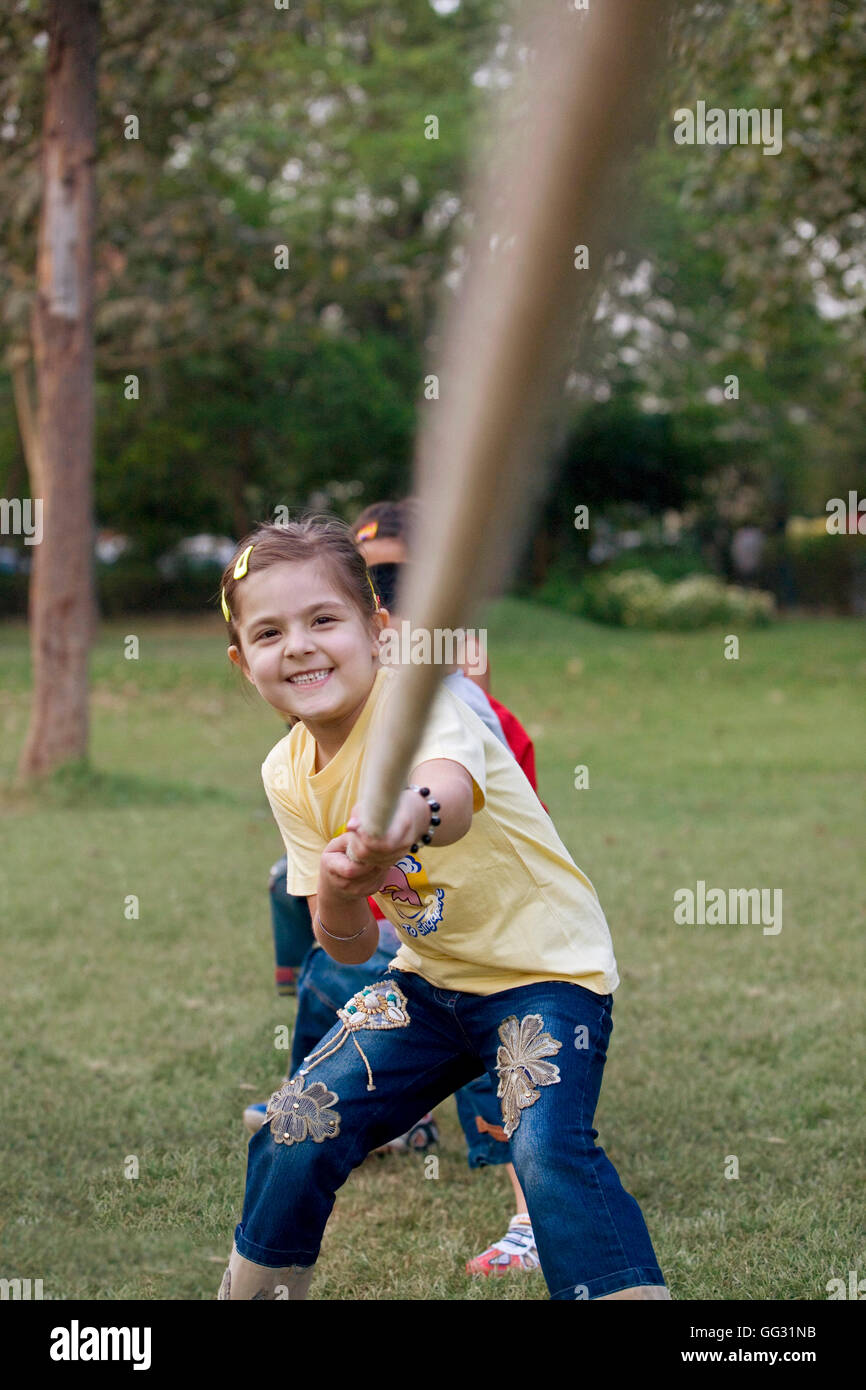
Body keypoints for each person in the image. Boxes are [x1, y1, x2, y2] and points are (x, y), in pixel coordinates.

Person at [217, 516, 669, 1301]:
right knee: (297, 1121)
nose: (297, 645)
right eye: (269, 632)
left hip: (544, 974)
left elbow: (451, 795)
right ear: (242, 663)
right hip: (429, 984)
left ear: (378, 631)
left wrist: (406, 817)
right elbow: (350, 949)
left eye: (323, 619)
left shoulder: (427, 700)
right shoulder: (286, 773)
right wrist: (342, 893)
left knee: (545, 1150)